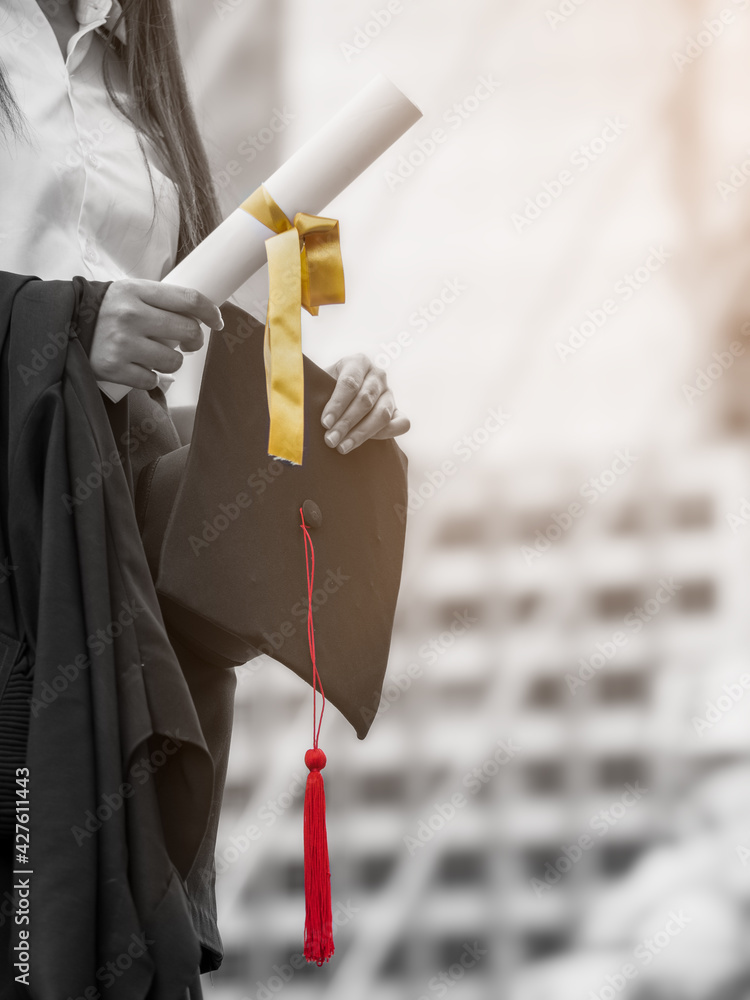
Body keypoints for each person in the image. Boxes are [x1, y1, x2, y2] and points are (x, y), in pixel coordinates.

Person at [0, 0, 410, 995]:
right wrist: (62, 327)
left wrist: (316, 414)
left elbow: (185, 395)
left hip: (119, 562)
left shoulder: (132, 43)